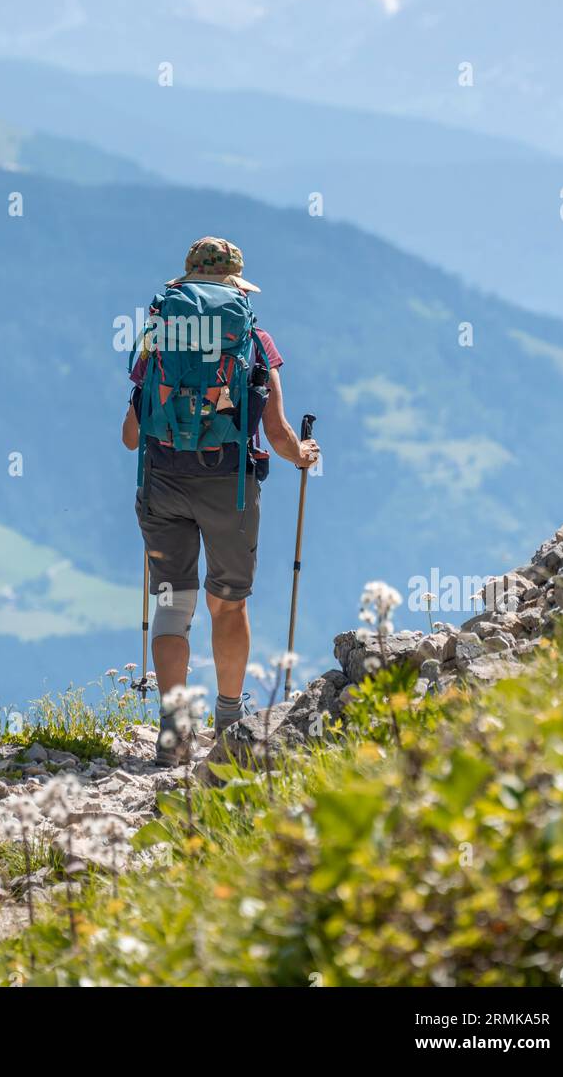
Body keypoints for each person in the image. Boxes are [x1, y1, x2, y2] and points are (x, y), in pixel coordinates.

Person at [122, 237, 320, 766]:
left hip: (162, 480)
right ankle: (231, 722)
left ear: (186, 279)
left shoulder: (157, 337)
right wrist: (302, 455)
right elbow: (277, 434)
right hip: (227, 484)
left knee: (172, 605)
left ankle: (174, 731)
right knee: (228, 603)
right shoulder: (253, 338)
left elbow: (128, 435)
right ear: (235, 285)